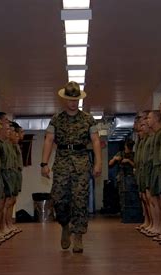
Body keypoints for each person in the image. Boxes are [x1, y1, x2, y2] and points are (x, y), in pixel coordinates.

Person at [41, 81, 102, 253]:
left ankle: (78, 236)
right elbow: (48, 140)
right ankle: (65, 226)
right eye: (70, 100)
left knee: (80, 199)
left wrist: (98, 163)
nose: (73, 103)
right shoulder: (56, 119)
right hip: (61, 162)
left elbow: (96, 140)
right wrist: (44, 163)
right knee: (59, 198)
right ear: (64, 100)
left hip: (82, 161)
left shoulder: (88, 119)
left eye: (76, 100)